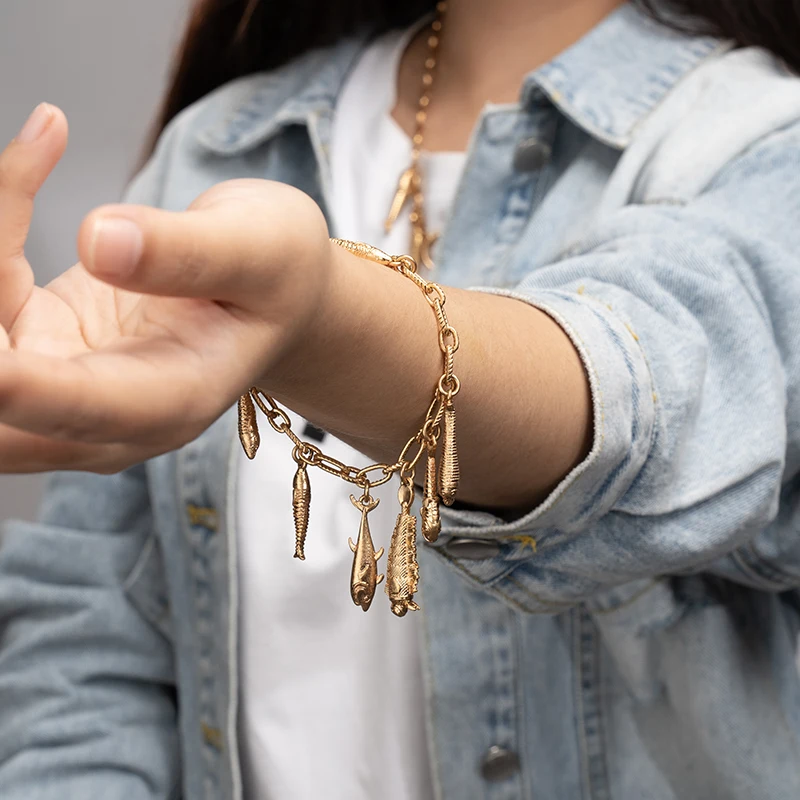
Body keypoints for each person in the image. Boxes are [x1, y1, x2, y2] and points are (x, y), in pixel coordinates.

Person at [1, 0, 799, 797]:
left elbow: (659, 375)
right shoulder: (219, 149)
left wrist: (319, 326)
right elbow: (88, 643)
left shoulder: (761, 144)